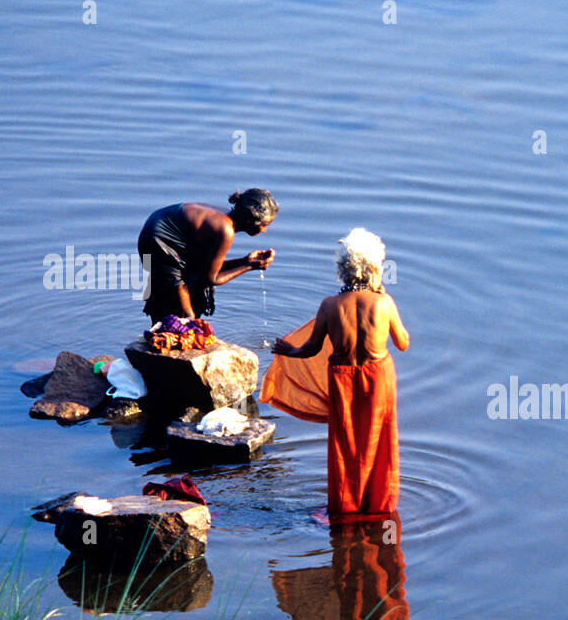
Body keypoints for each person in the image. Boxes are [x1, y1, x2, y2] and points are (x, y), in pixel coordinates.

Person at [265, 227, 409, 516]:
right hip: (377, 378)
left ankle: (345, 508)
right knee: (378, 441)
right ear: (373, 268)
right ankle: (377, 507)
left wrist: (286, 350)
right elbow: (403, 344)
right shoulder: (384, 303)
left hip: (342, 380)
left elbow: (310, 348)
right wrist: (381, 295)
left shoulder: (330, 306)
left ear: (343, 269)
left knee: (345, 445)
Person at [137, 189, 278, 323]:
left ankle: (164, 331)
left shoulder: (225, 219)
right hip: (159, 242)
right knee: (187, 318)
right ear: (250, 221)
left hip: (161, 232)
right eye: (264, 225)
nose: (264, 230)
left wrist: (244, 261)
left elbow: (206, 269)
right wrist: (249, 266)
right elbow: (212, 278)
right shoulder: (225, 229)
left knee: (187, 298)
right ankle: (163, 337)